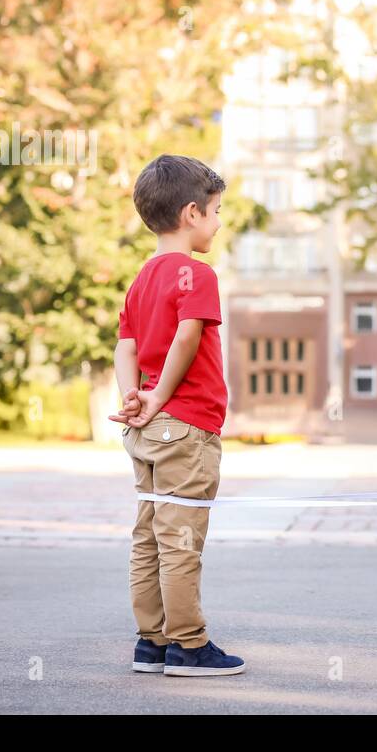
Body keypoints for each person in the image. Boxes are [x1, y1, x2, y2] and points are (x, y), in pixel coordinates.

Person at [111, 154, 245, 676]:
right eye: (214, 211)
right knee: (181, 538)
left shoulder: (143, 278)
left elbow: (125, 346)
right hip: (186, 427)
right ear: (192, 213)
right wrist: (161, 397)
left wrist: (135, 397)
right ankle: (189, 645)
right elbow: (189, 336)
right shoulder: (198, 274)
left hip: (147, 430)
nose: (218, 221)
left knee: (149, 534)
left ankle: (152, 640)